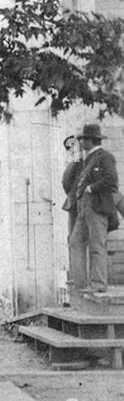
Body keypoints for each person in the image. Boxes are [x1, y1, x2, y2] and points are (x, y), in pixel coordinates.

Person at [68, 123, 118, 294]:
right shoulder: (86, 159)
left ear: (91, 140)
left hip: (97, 206)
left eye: (83, 139)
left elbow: (111, 180)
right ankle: (80, 285)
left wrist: (91, 188)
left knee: (97, 246)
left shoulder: (105, 157)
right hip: (84, 208)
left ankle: (98, 285)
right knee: (75, 242)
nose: (81, 142)